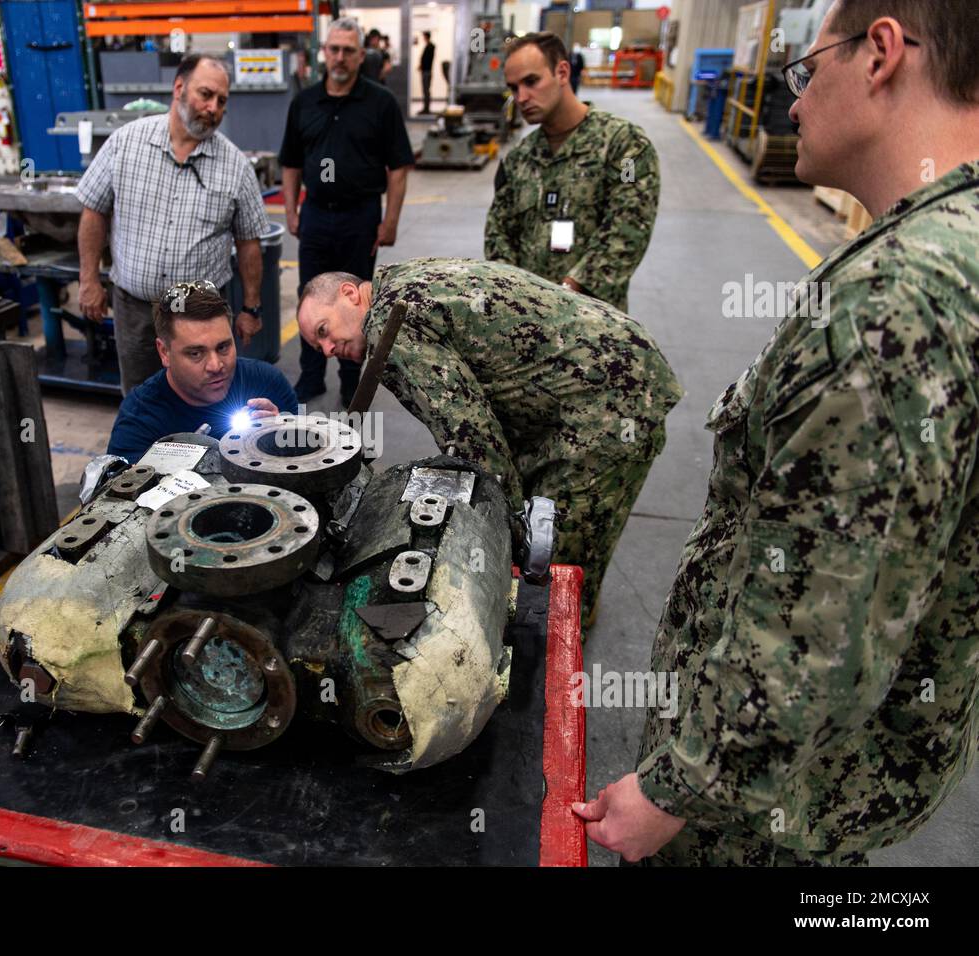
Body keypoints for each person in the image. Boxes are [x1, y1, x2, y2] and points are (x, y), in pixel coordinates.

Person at [576, 0, 979, 866]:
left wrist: (678, 789)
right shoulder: (955, 248)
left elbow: (820, 618)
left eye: (809, 69)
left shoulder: (891, 304)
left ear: (880, 54)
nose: (793, 102)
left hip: (763, 808)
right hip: (838, 773)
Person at [297, 258, 682, 627]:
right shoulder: (400, 280)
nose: (328, 350)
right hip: (609, 364)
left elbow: (470, 434)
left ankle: (559, 639)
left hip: (611, 398)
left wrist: (507, 533)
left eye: (324, 330)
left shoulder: (390, 323)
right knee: (541, 522)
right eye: (318, 347)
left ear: (350, 294)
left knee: (549, 551)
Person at [76, 53, 270, 399]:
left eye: (221, 101)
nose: (213, 108)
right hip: (136, 310)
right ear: (179, 88)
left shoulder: (236, 166)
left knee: (205, 397)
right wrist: (88, 279)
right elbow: (94, 211)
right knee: (140, 398)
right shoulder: (126, 143)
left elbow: (249, 242)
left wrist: (251, 308)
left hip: (202, 317)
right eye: (205, 94)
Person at [280, 17, 414, 405]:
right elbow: (290, 162)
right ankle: (311, 376)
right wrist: (291, 210)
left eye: (348, 51)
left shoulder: (381, 103)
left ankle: (352, 380)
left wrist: (390, 221)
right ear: (324, 52)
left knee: (356, 301)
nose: (340, 57)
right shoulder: (304, 102)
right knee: (311, 297)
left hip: (360, 217)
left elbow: (399, 167)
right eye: (334, 49)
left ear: (361, 55)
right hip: (316, 215)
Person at [485, 31, 659, 312]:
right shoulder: (518, 158)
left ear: (562, 72)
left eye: (531, 82)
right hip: (526, 322)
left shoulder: (624, 146)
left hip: (592, 323)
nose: (521, 97)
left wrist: (565, 295)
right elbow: (498, 234)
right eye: (514, 88)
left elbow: (628, 232)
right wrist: (514, 297)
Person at [106, 282, 296, 463]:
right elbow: (123, 485)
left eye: (223, 347)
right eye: (196, 353)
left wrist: (281, 439)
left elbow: (304, 462)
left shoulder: (269, 384)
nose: (215, 366)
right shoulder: (140, 420)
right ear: (164, 352)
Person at [419, 31, 437, 113]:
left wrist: (422, 66)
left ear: (426, 36)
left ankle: (426, 108)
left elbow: (427, 59)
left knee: (426, 90)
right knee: (425, 90)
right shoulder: (428, 46)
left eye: (424, 36)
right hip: (425, 71)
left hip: (427, 71)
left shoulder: (431, 46)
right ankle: (425, 108)